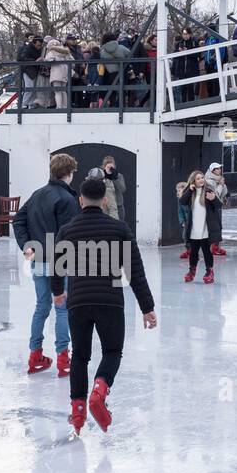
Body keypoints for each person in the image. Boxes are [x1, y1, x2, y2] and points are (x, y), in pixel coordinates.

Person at [51, 177, 157, 436]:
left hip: (78, 301)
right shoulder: (118, 229)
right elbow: (135, 272)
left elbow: (57, 266)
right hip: (109, 301)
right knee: (111, 351)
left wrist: (57, 292)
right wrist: (147, 307)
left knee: (80, 356)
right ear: (105, 200)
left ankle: (77, 412)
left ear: (80, 200)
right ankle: (100, 389)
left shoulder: (67, 230)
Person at [14, 152, 81, 375]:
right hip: (60, 261)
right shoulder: (67, 199)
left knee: (41, 307)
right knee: (62, 310)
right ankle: (63, 358)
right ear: (69, 173)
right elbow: (69, 235)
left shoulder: (37, 194)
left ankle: (35, 355)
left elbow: (18, 220)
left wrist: (26, 245)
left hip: (39, 259)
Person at [180, 170, 221, 284]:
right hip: (194, 229)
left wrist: (213, 199)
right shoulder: (191, 193)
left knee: (206, 251)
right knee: (193, 252)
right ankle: (191, 271)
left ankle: (209, 272)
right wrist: (189, 190)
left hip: (205, 228)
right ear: (193, 181)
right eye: (198, 178)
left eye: (202, 177)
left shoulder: (209, 191)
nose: (201, 180)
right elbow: (182, 201)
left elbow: (219, 205)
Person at [99, 31, 131, 107]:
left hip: (110, 73)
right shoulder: (121, 48)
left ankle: (112, 105)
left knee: (112, 90)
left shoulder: (102, 50)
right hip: (122, 72)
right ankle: (122, 106)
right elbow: (130, 55)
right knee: (122, 90)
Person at [203, 162, 229, 255]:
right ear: (212, 170)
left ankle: (216, 247)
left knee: (218, 226)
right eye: (217, 168)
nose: (220, 170)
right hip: (209, 207)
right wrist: (221, 185)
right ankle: (213, 247)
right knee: (214, 227)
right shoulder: (209, 181)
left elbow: (221, 194)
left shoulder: (218, 180)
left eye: (220, 168)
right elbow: (215, 195)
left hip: (215, 207)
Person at [43, 36, 74, 110]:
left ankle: (59, 106)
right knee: (63, 90)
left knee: (57, 91)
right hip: (65, 72)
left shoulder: (52, 52)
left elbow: (48, 59)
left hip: (56, 72)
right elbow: (72, 60)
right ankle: (65, 106)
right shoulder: (65, 51)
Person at [16, 34, 43, 108]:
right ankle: (24, 104)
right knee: (29, 87)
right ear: (34, 43)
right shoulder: (27, 48)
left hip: (34, 70)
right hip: (27, 70)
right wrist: (35, 61)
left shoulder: (38, 49)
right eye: (38, 45)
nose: (39, 47)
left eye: (40, 45)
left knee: (33, 88)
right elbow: (21, 58)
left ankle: (31, 103)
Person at [102, 156, 127, 221]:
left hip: (118, 206)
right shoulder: (101, 175)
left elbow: (122, 189)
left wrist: (115, 178)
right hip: (105, 206)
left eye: (111, 167)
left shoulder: (118, 176)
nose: (110, 169)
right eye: (108, 167)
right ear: (104, 167)